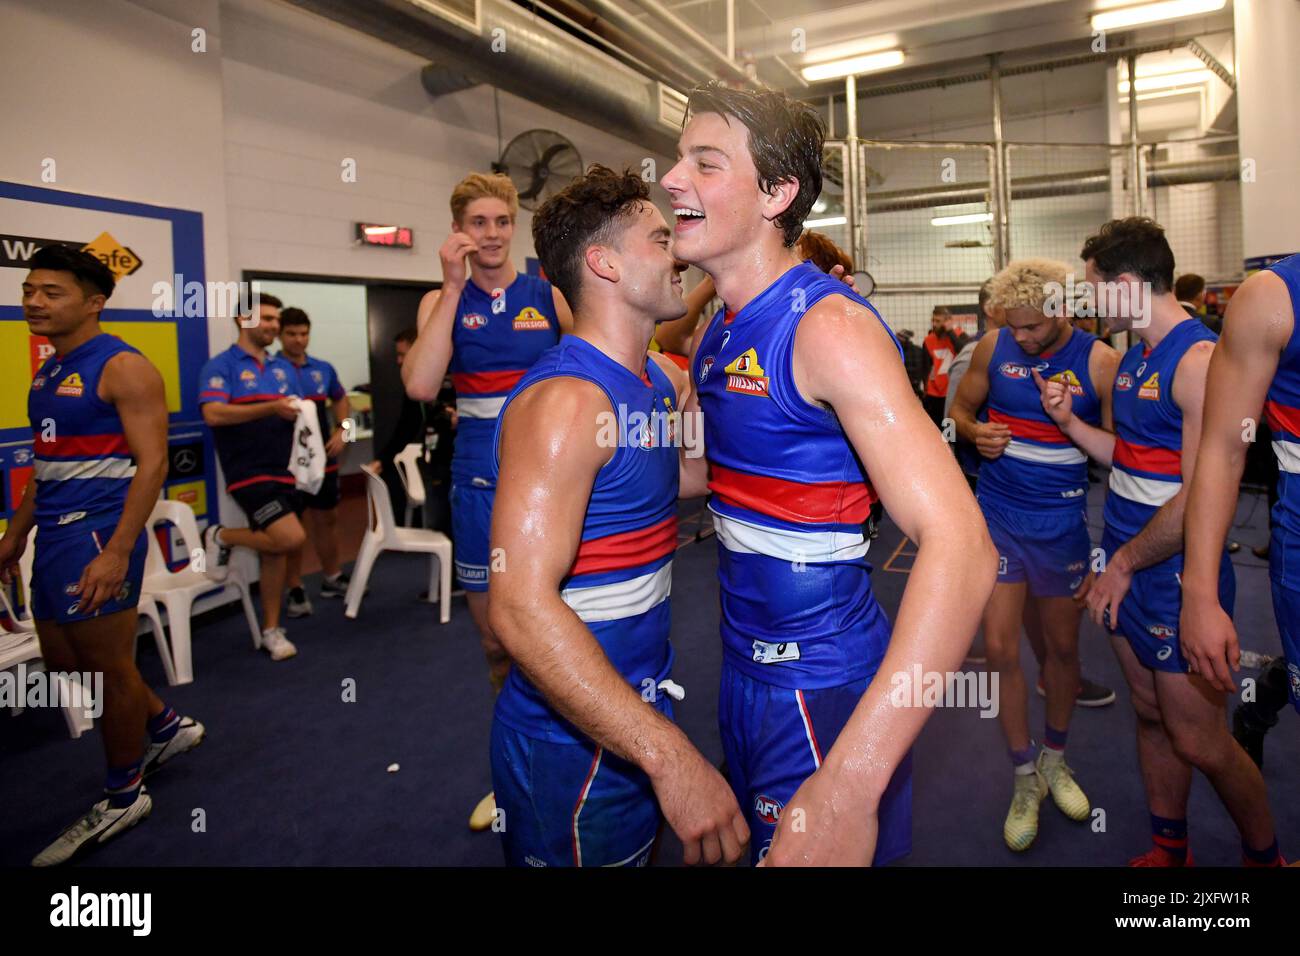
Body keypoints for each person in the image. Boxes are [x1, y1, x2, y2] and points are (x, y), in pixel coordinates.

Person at [665, 81, 997, 866]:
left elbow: (963, 546)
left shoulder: (829, 328)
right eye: (679, 159)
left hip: (819, 684)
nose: (673, 179)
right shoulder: (719, 331)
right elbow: (721, 482)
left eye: (704, 163)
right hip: (742, 667)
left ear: (778, 193)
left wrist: (851, 782)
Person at [488, 164, 747, 867]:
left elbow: (686, 476)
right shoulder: (568, 404)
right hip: (569, 741)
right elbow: (516, 609)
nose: (679, 254)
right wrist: (671, 758)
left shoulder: (655, 380)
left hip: (632, 709)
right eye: (661, 239)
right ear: (603, 263)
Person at [1039, 217, 1280, 867]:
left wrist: (1121, 562)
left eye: (1093, 289)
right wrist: (1066, 421)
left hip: (1172, 574)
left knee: (1203, 742)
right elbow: (1128, 459)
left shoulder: (1199, 361)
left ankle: (1267, 858)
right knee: (1149, 717)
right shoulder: (1133, 358)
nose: (1087, 304)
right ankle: (1170, 850)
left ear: (1124, 285)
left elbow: (1202, 495)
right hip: (1126, 567)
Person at [2, 245, 204, 866]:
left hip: (98, 532)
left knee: (109, 668)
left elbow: (154, 465)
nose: (34, 300)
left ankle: (123, 795)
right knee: (68, 661)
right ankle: (168, 727)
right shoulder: (46, 370)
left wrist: (118, 551)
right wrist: (14, 536)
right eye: (30, 289)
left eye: (52, 292)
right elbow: (46, 463)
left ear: (94, 302)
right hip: (55, 535)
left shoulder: (124, 367)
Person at [400, 172, 573, 830]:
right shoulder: (441, 301)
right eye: (480, 222)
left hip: (549, 468)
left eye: (502, 221)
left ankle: (575, 754)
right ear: (459, 231)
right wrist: (449, 290)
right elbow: (419, 384)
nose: (493, 234)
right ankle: (515, 772)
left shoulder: (548, 294)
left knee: (564, 620)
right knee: (499, 639)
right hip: (476, 474)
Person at [950, 258, 1119, 853]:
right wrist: (974, 433)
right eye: (1011, 327)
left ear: (1062, 311)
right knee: (999, 650)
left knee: (1064, 653)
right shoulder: (993, 347)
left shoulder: (1099, 361)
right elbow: (958, 410)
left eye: (1031, 328)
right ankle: (1024, 778)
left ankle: (1055, 760)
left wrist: (1111, 557)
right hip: (998, 520)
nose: (1019, 337)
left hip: (1063, 528)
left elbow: (1126, 453)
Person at [1183, 253, 1300, 803]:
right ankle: (1266, 701)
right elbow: (1224, 449)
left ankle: (1263, 701)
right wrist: (1201, 597)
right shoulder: (1271, 298)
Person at [198, 293, 307, 661]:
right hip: (247, 472)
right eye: (266, 318)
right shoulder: (221, 365)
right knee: (289, 537)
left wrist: (339, 433)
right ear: (242, 320)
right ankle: (219, 535)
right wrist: (271, 408)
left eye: (276, 319)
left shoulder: (283, 368)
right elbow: (213, 414)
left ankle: (271, 630)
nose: (274, 325)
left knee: (274, 549)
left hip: (285, 470)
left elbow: (300, 412)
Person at [276, 307, 352, 616]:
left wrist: (343, 429)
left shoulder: (323, 369)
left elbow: (341, 398)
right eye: (292, 334)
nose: (298, 340)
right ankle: (294, 586)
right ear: (281, 336)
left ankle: (332, 576)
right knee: (294, 527)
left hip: (323, 461)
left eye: (304, 333)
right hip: (288, 463)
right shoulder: (270, 369)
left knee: (327, 519)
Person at [922, 307, 961, 426]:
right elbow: (925, 367)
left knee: (950, 431)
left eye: (938, 321)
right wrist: (925, 388)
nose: (934, 324)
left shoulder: (959, 336)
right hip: (934, 393)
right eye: (933, 321)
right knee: (935, 428)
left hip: (952, 392)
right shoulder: (928, 340)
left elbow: (963, 350)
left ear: (948, 321)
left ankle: (949, 445)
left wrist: (950, 331)